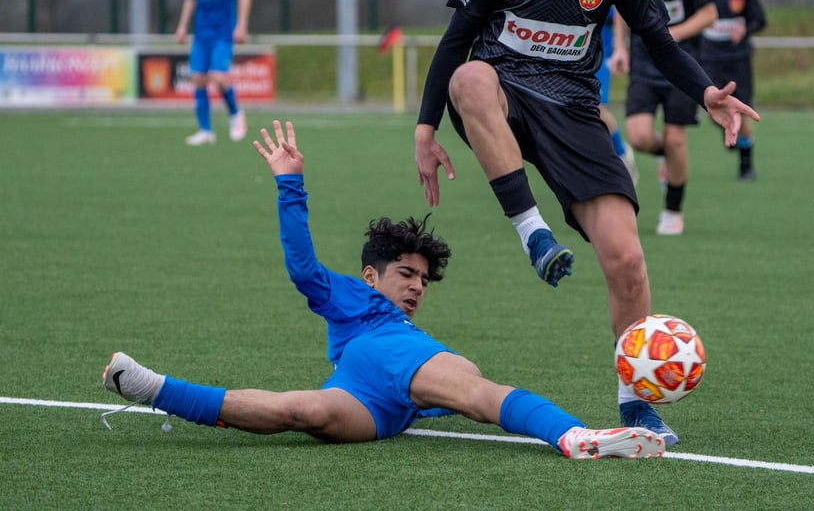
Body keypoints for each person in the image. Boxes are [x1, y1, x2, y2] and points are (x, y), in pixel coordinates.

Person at [413, 0, 759, 445]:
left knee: (627, 261)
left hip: (575, 111)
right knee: (470, 78)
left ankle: (636, 404)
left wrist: (705, 94)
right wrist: (426, 128)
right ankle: (533, 233)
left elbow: (658, 42)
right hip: (503, 97)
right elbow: (454, 40)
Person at [101, 120, 665, 460]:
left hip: (392, 393)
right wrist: (289, 185)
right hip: (362, 389)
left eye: (423, 279)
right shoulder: (356, 299)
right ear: (371, 275)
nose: (418, 286)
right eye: (406, 274)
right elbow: (302, 268)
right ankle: (155, 389)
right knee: (301, 410)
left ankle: (572, 436)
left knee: (476, 395)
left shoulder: (406, 331)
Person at [608, 0, 719, 236]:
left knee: (676, 139)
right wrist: (621, 49)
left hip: (680, 67)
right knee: (640, 137)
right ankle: (665, 159)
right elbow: (622, 11)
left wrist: (671, 35)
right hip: (643, 66)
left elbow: (709, 13)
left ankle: (673, 211)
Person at [174, 0, 251, 146]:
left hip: (223, 33)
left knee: (218, 77)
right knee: (198, 78)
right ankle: (205, 130)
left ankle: (236, 113)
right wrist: (182, 26)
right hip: (201, 33)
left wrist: (242, 24)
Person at [702, 0, 768, 180]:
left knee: (743, 110)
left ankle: (746, 165)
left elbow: (760, 19)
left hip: (738, 60)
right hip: (708, 59)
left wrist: (746, 29)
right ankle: (726, 128)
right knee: (712, 107)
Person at [599, 6, 639, 184]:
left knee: (597, 110)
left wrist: (619, 47)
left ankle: (621, 153)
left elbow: (619, 14)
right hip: (569, 52)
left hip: (601, 54)